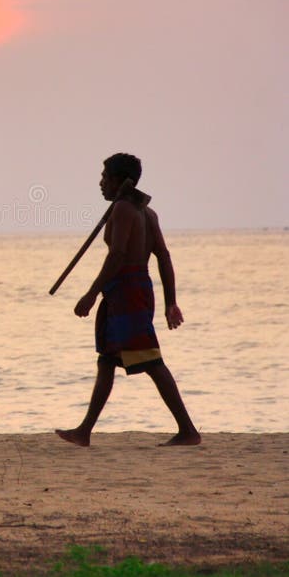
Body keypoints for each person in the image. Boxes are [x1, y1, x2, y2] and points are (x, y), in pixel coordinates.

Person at [56, 153, 201, 447]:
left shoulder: (124, 209)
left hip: (128, 290)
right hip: (133, 288)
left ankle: (188, 430)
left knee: (151, 360)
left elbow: (118, 255)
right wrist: (170, 300)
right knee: (107, 360)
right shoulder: (147, 213)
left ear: (122, 182)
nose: (100, 183)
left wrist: (92, 293)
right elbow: (164, 257)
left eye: (105, 177)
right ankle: (84, 431)